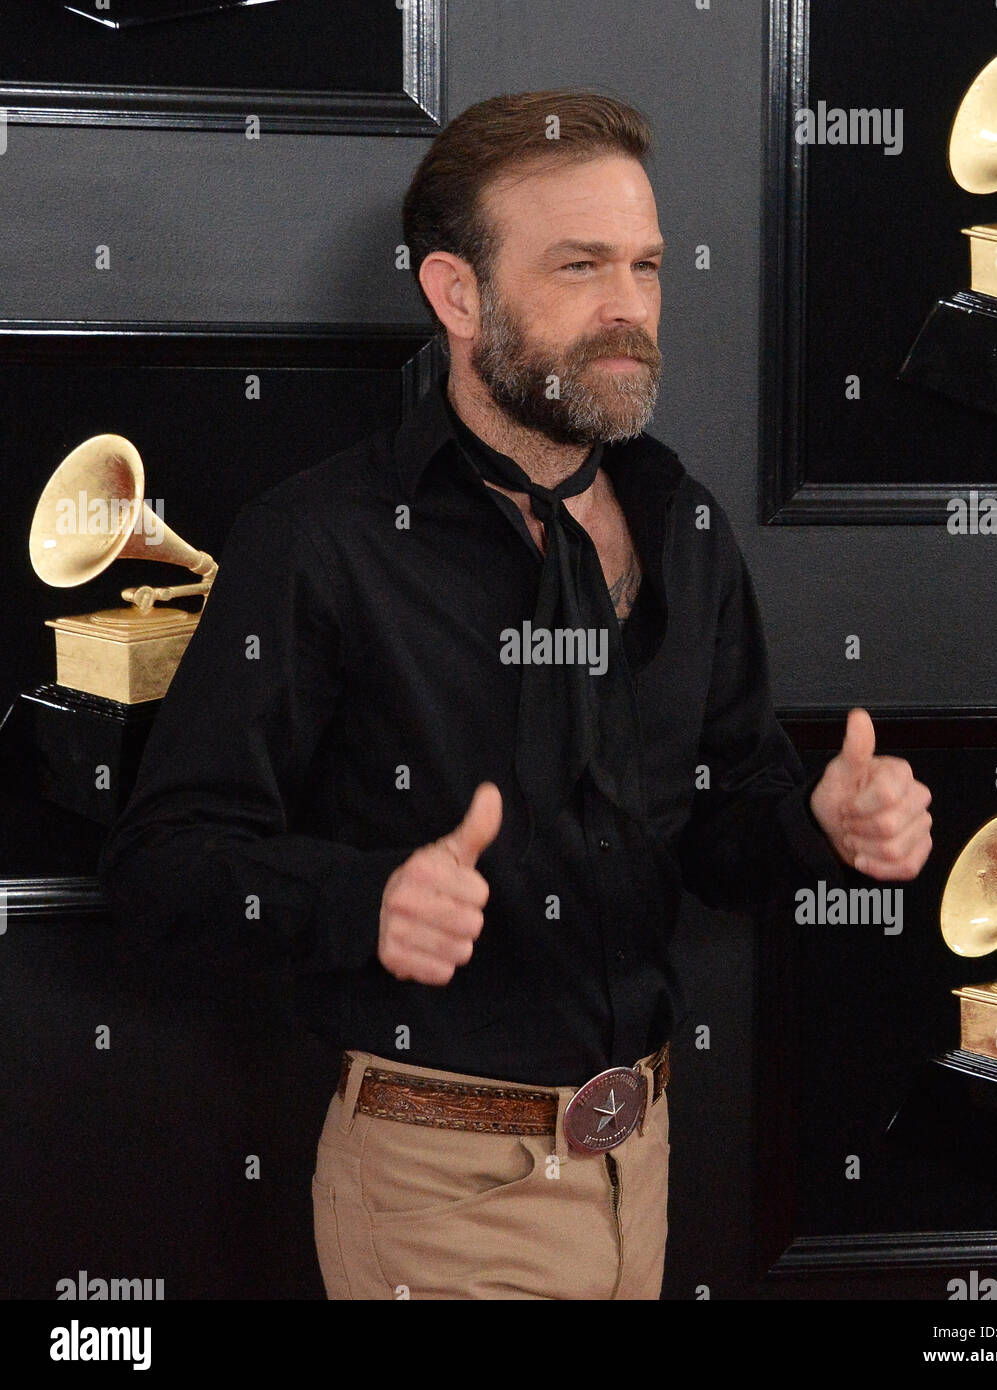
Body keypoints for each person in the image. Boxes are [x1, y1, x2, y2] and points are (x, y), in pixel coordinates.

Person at [100, 89, 933, 1300]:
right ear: (456, 293)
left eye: (644, 266)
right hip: (438, 1191)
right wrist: (359, 898)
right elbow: (162, 859)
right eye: (580, 267)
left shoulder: (682, 523)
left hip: (637, 1164)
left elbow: (723, 823)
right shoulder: (322, 541)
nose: (629, 310)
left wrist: (820, 823)